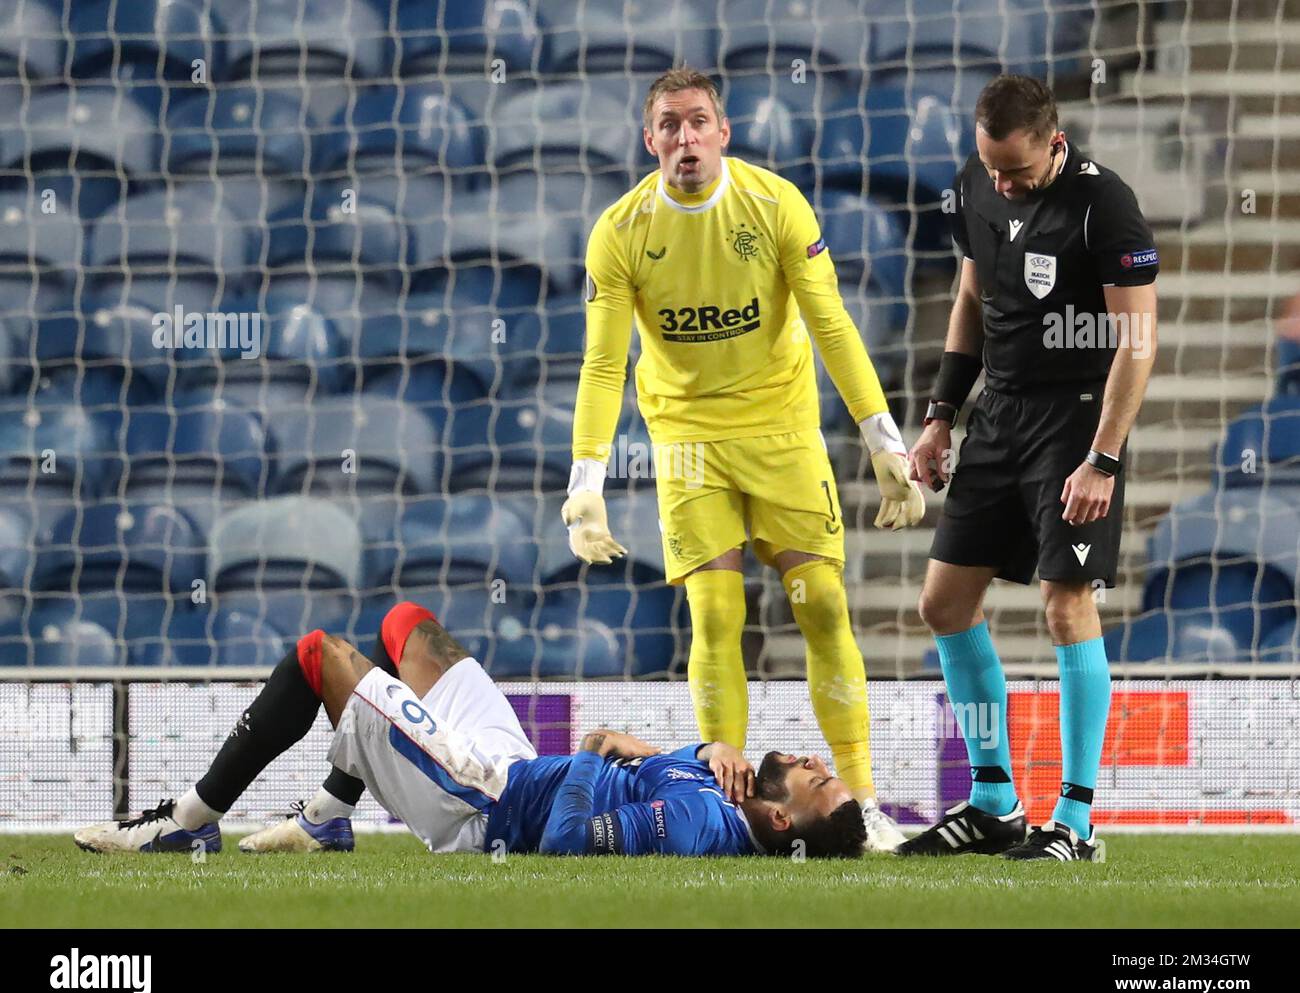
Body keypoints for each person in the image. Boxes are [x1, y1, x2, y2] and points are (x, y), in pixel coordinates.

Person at [561, 67, 926, 852]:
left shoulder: (775, 205)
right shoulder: (620, 231)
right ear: (648, 137)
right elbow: (601, 366)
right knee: (716, 613)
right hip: (688, 441)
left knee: (823, 603)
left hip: (784, 430)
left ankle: (861, 803)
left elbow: (831, 323)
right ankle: (724, 803)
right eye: (669, 124)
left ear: (723, 132)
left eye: (698, 122)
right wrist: (585, 483)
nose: (684, 138)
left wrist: (883, 440)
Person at [73, 602, 867, 859]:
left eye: (816, 780)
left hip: (485, 800)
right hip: (515, 761)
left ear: (778, 817)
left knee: (321, 657)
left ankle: (184, 824)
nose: (810, 759)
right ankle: (326, 821)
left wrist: (595, 751)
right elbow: (666, 768)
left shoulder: (699, 823)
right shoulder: (722, 793)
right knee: (406, 626)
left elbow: (564, 847)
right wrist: (703, 748)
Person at [901, 74, 1159, 862]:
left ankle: (1075, 821)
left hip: (1075, 424)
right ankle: (993, 801)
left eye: (1014, 171)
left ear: (1054, 141)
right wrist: (943, 414)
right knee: (942, 605)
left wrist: (1102, 459)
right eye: (990, 168)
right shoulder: (977, 183)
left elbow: (1137, 342)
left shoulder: (1104, 206)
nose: (1000, 183)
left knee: (1064, 608)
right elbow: (972, 296)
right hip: (1000, 415)